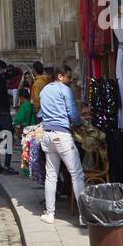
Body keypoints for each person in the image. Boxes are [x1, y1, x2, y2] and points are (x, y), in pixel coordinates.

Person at [39, 64, 86, 224]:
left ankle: (49, 213)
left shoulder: (44, 91)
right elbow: (72, 112)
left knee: (51, 175)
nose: (70, 80)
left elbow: (40, 112)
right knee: (77, 174)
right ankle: (83, 216)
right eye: (68, 77)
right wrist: (79, 124)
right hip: (62, 135)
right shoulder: (64, 90)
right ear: (60, 76)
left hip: (47, 134)